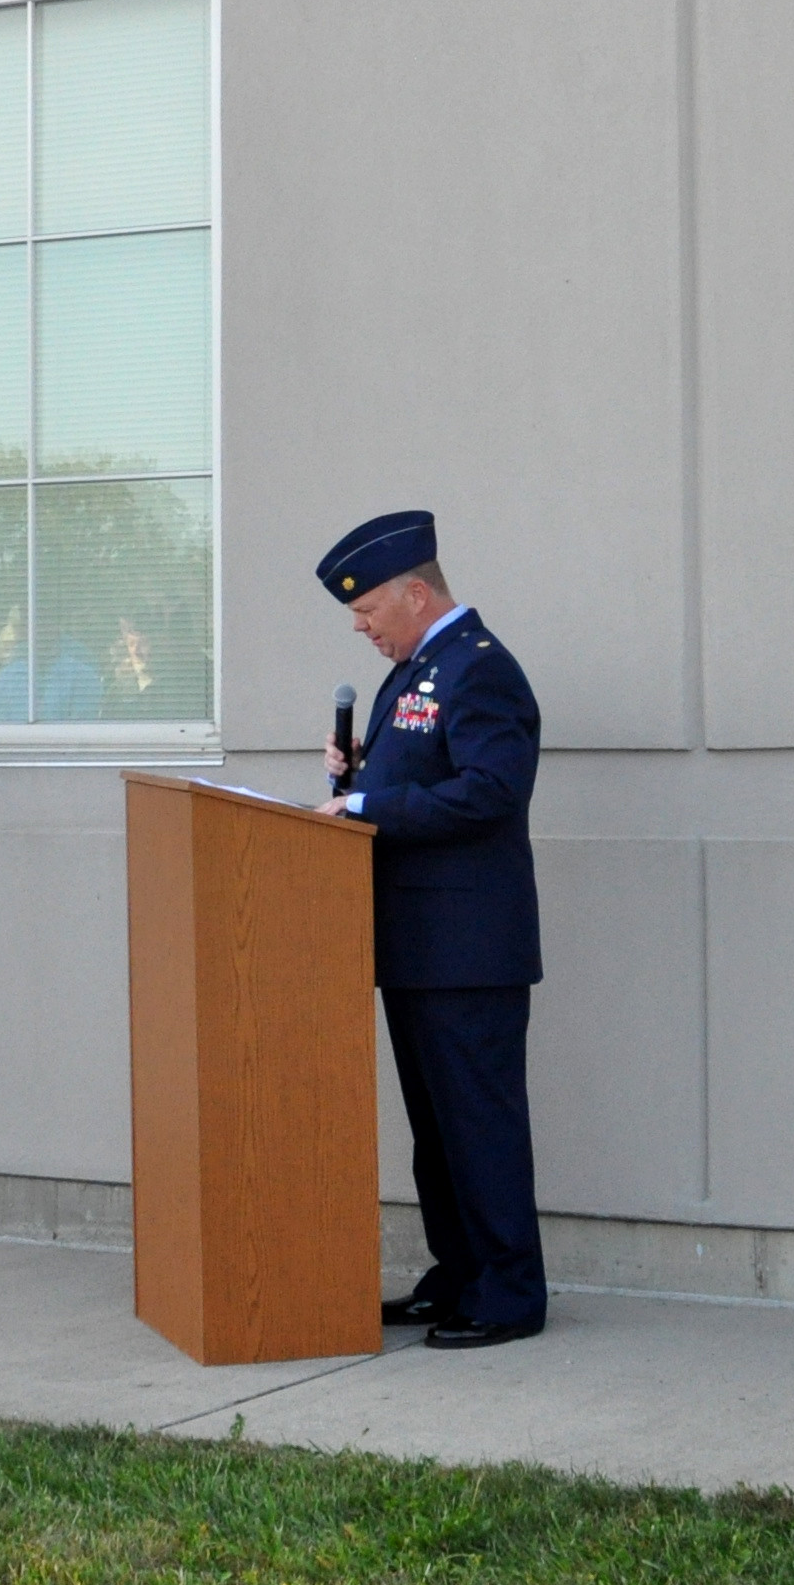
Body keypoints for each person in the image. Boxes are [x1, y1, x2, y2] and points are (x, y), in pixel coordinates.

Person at [318, 509, 547, 1348]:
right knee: (437, 1136)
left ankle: (510, 1293)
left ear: (417, 594)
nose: (360, 626)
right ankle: (459, 1275)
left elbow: (491, 792)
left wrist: (369, 801)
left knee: (480, 1126)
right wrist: (358, 776)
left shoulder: (481, 671)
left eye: (369, 609)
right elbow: (423, 775)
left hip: (469, 949)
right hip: (417, 948)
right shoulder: (416, 670)